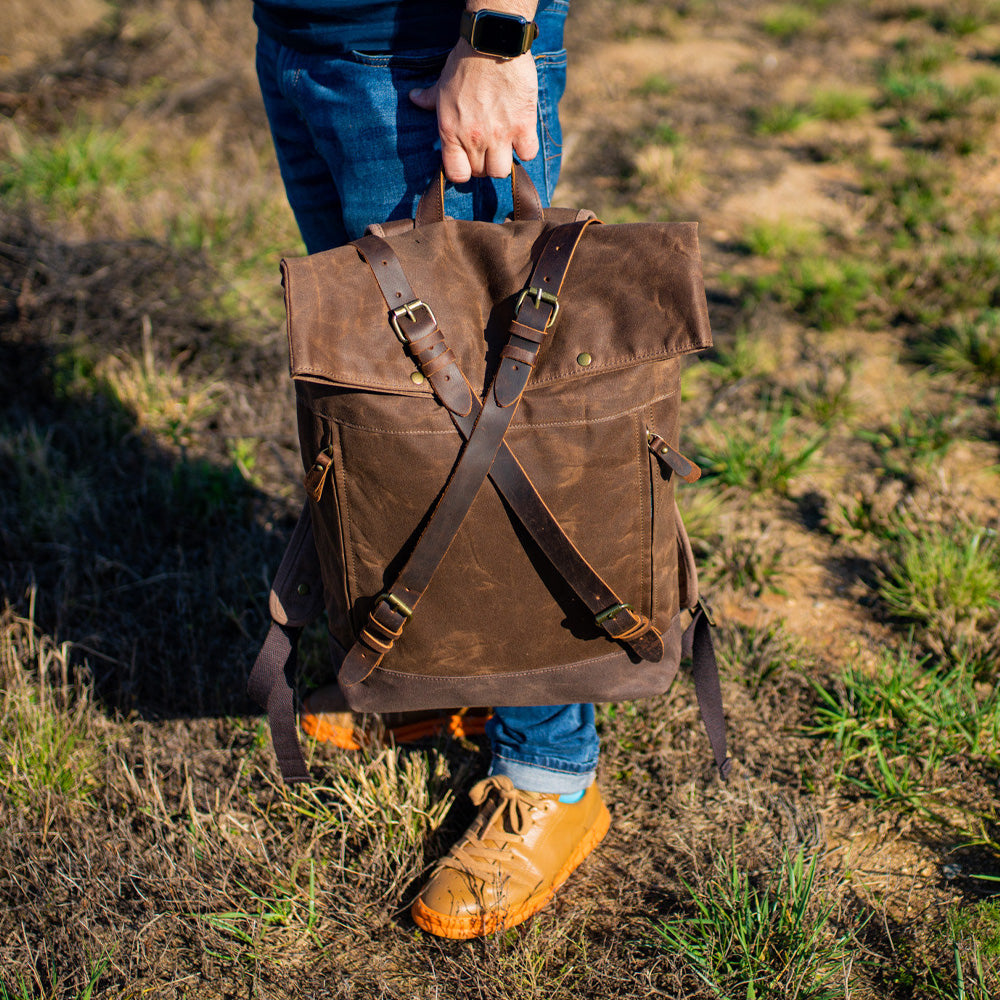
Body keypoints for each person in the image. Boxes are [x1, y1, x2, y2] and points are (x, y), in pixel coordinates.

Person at [254, 0, 607, 940]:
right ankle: (431, 673)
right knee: (379, 417)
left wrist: (496, 35)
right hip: (307, 45)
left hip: (425, 56)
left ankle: (550, 773)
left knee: (482, 439)